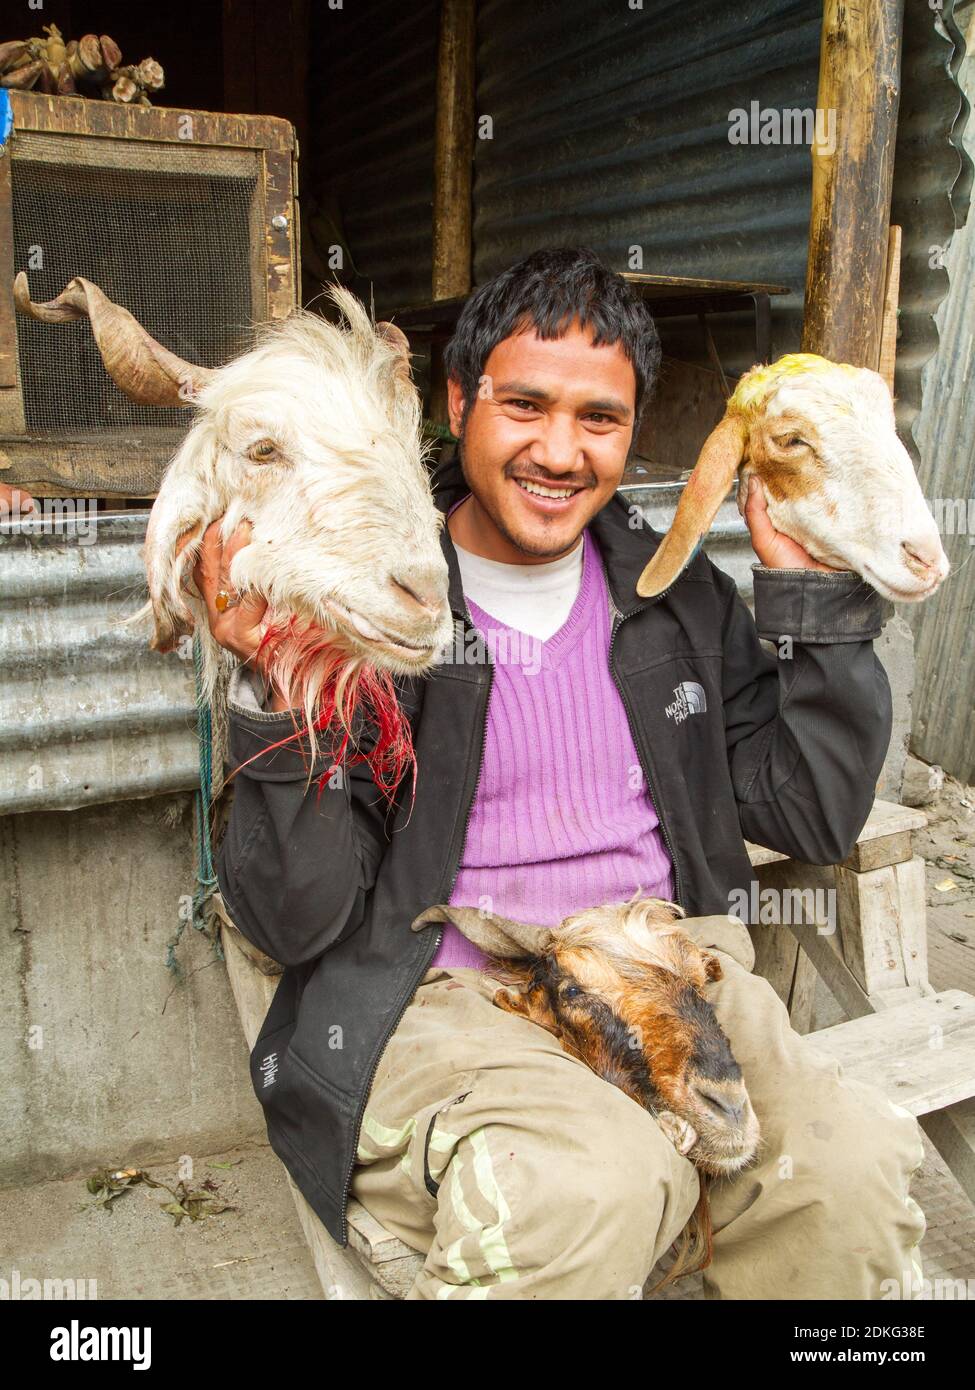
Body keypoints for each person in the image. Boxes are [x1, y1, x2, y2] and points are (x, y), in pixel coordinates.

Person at [195, 248, 925, 1300]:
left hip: (669, 971)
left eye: (600, 418)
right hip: (451, 1000)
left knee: (854, 1178)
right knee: (596, 1190)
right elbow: (294, 917)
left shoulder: (677, 599)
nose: (559, 450)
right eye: (524, 404)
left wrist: (812, 605)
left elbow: (807, 810)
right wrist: (277, 689)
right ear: (459, 402)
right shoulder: (379, 604)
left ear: (633, 431)